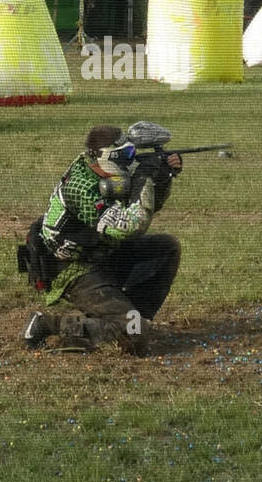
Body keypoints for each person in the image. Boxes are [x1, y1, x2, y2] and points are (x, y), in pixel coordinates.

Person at [22, 124, 183, 355]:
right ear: (108, 157)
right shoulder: (81, 188)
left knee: (167, 247)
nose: (131, 161)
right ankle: (46, 324)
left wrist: (163, 176)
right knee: (132, 334)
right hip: (73, 269)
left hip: (105, 253)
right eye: (127, 156)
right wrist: (144, 180)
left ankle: (130, 318)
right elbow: (129, 226)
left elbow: (148, 206)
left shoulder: (104, 169)